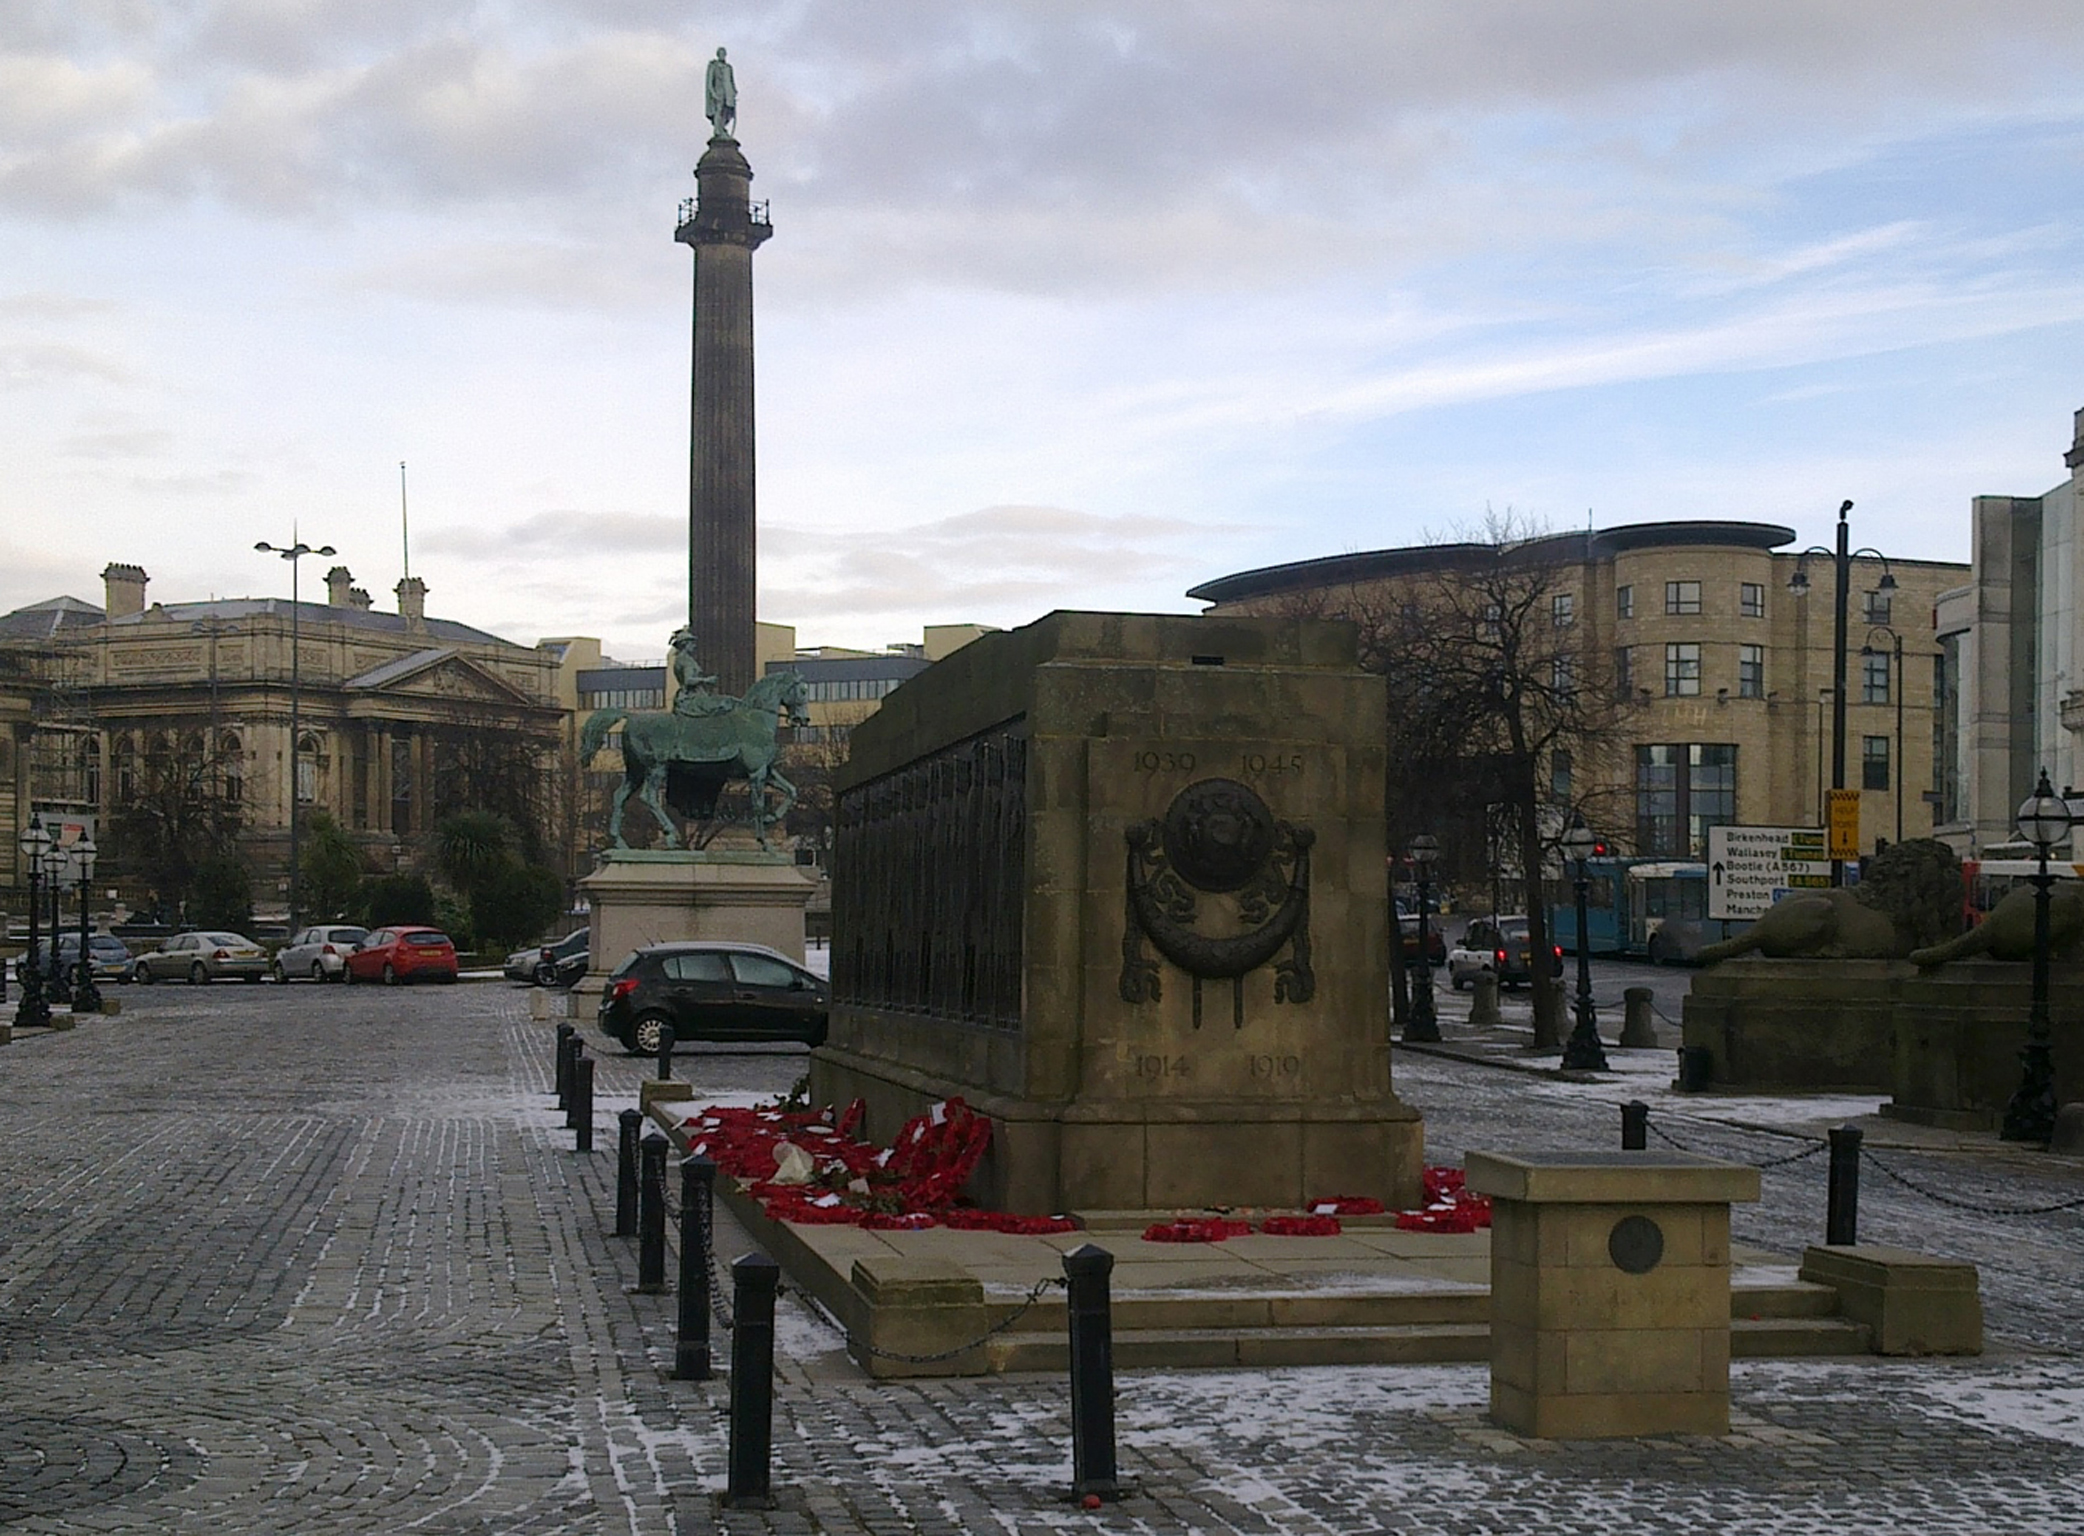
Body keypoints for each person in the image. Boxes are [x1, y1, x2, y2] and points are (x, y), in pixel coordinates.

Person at [669, 628, 733, 718]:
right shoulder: (685, 660)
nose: (694, 646)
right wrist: (706, 680)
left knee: (729, 701)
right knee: (726, 704)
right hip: (691, 699)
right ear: (685, 644)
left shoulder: (685, 659)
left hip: (697, 695)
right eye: (692, 643)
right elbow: (688, 681)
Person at [705, 47, 737, 138]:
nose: (722, 55)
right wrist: (712, 92)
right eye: (720, 54)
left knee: (726, 111)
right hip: (718, 91)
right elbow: (710, 82)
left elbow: (731, 81)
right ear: (718, 55)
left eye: (724, 54)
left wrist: (734, 91)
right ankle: (717, 130)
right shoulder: (714, 66)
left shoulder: (728, 68)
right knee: (718, 110)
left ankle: (722, 128)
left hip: (727, 93)